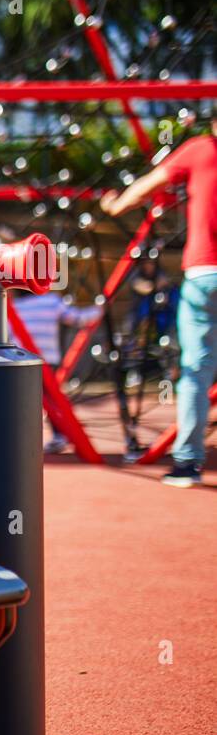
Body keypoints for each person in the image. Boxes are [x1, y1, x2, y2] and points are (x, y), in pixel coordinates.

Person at [101, 114, 217, 487]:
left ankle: (187, 463)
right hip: (202, 273)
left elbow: (147, 185)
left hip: (203, 272)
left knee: (195, 372)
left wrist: (115, 205)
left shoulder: (200, 149)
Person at [11, 290, 101, 454]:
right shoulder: (51, 301)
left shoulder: (14, 305)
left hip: (20, 359)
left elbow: (5, 334)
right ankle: (60, 434)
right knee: (49, 399)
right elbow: (77, 318)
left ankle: (22, 439)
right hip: (46, 358)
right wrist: (98, 309)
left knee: (24, 401)